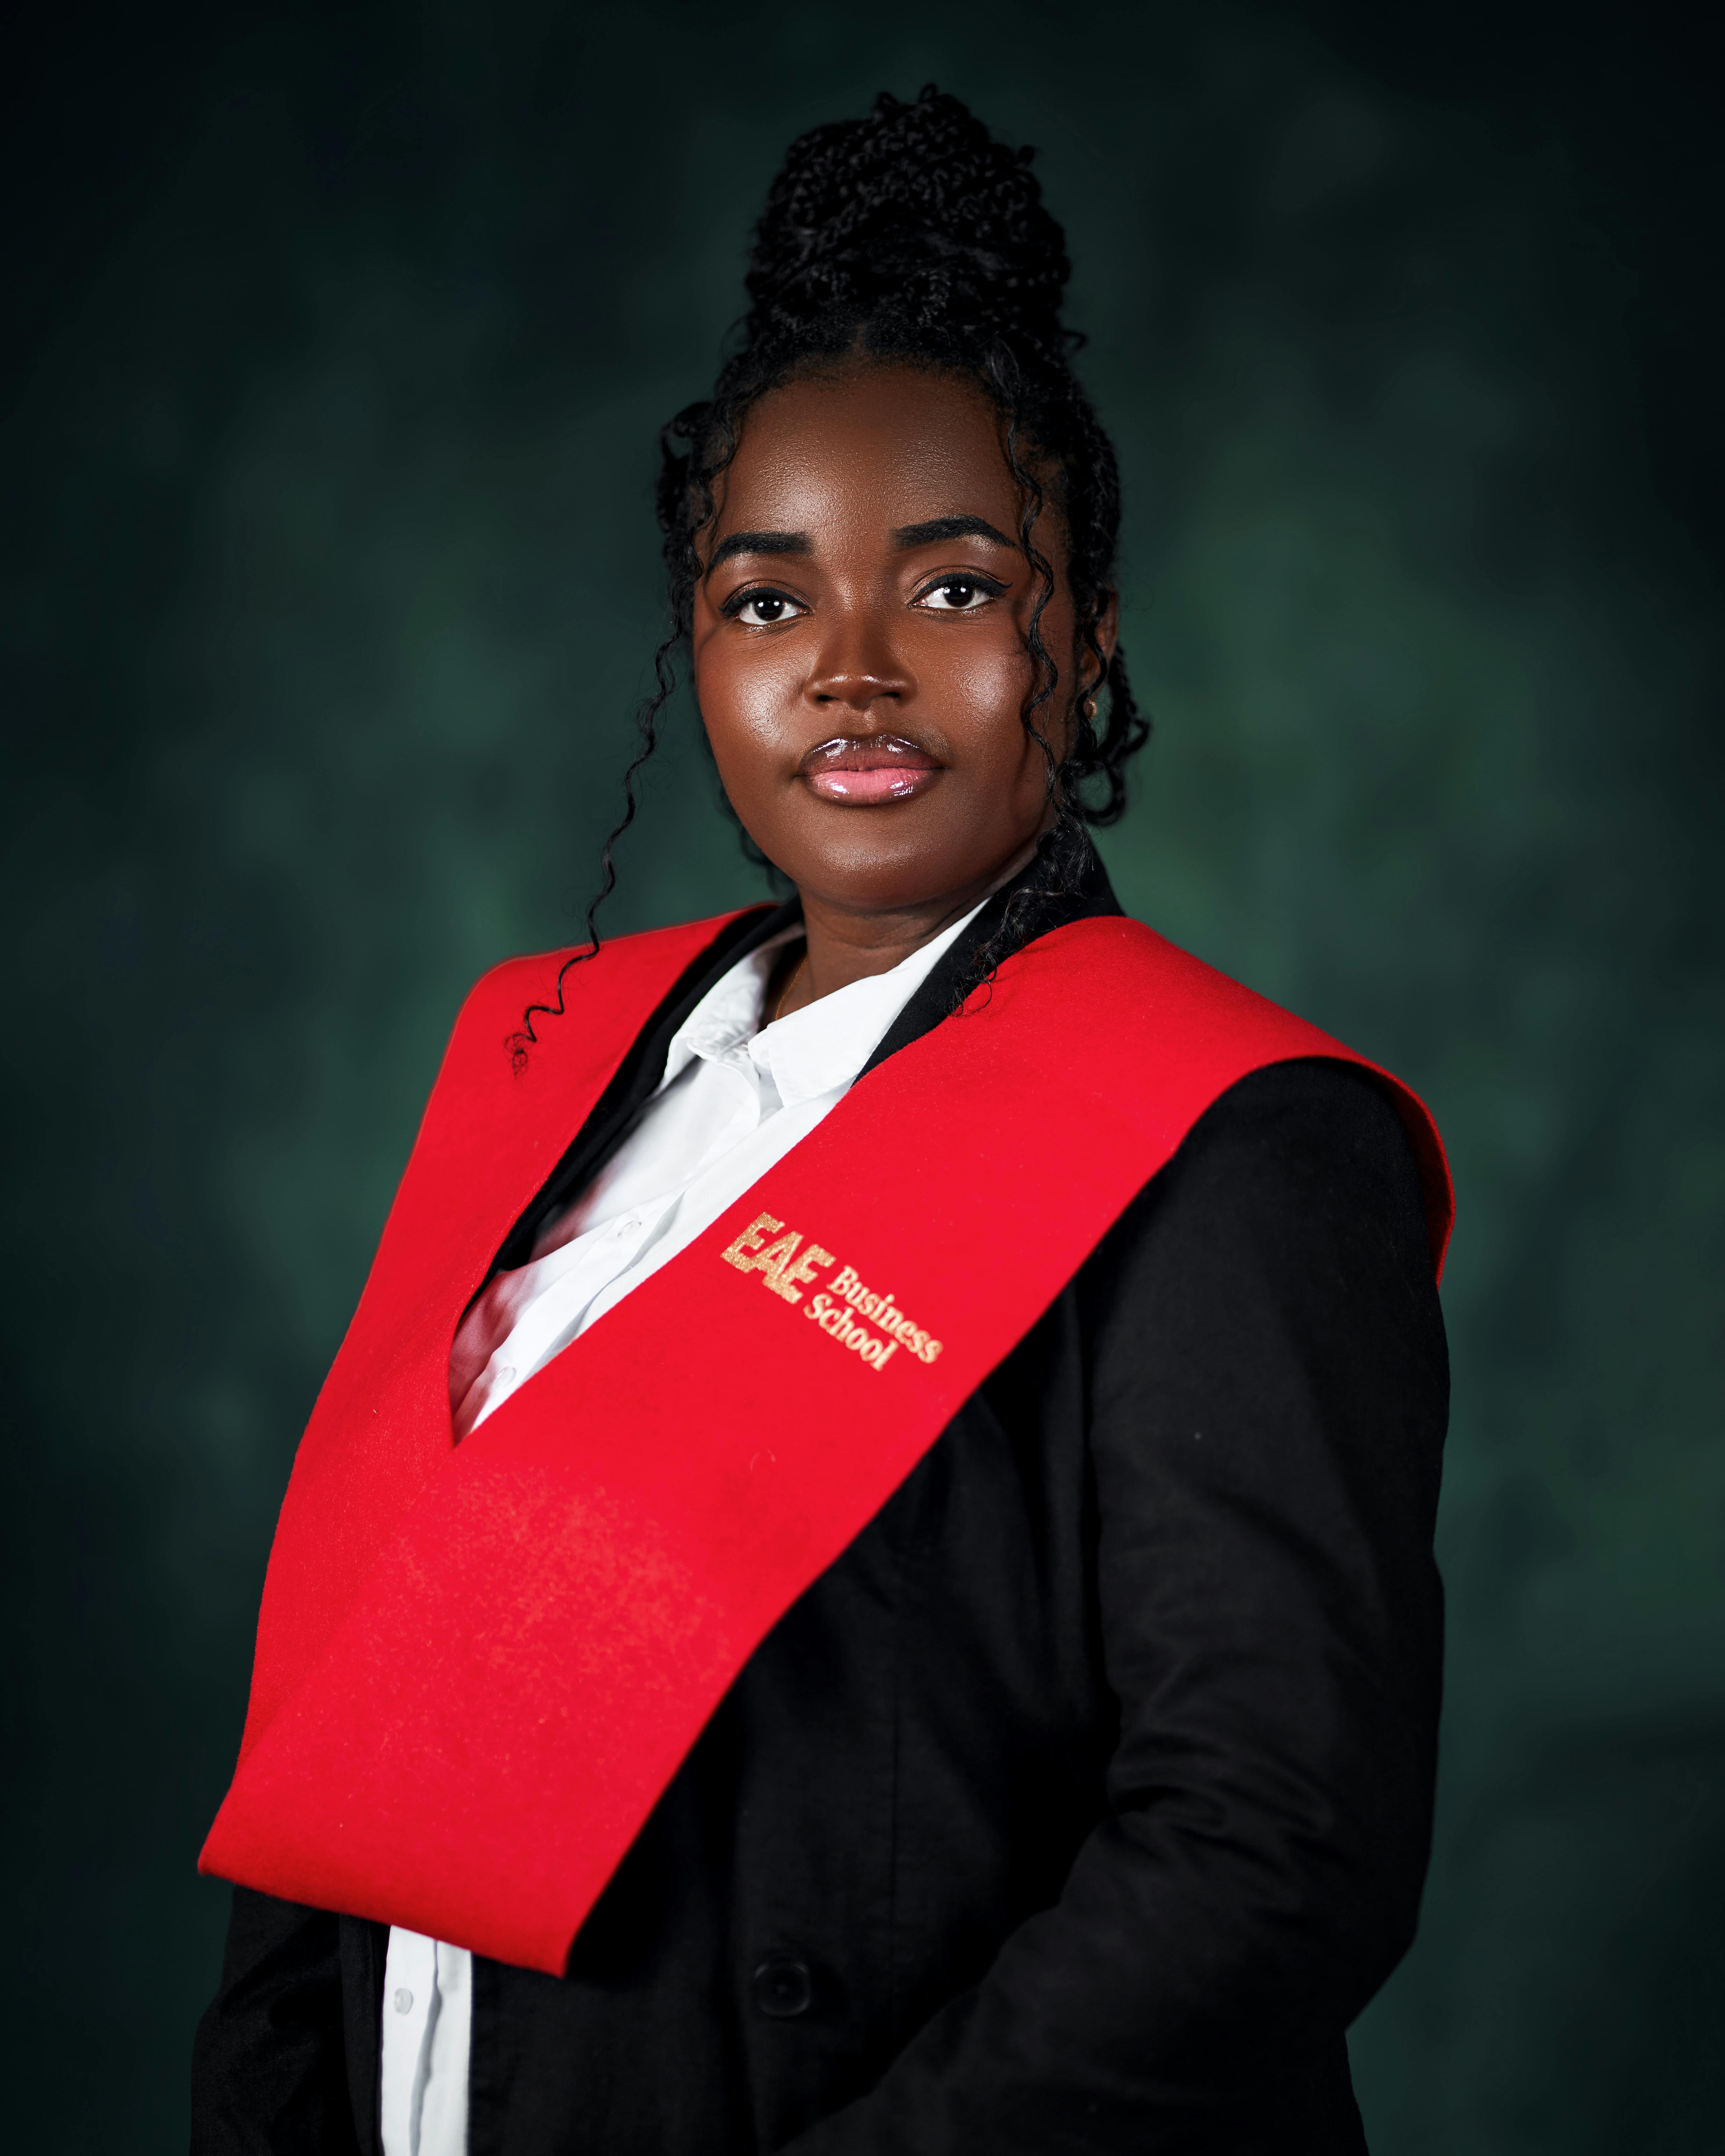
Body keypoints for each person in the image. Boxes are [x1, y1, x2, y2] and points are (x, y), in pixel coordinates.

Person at [191, 87, 1451, 2156]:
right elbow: (341, 1716)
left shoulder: (1231, 1150)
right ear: (695, 648)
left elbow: (1267, 1853)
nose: (851, 673)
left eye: (950, 592)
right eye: (769, 601)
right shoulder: (555, 1070)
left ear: (1087, 631)